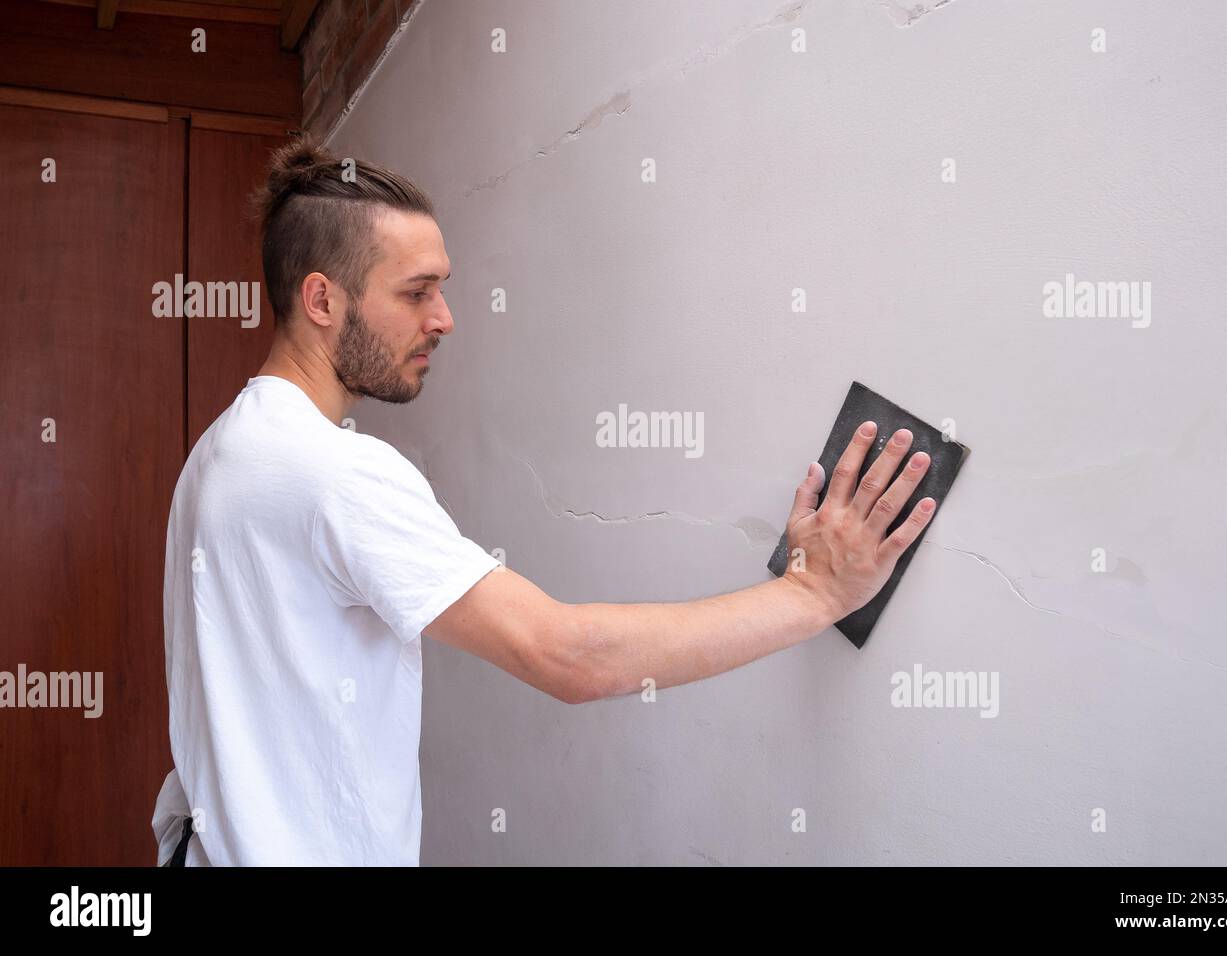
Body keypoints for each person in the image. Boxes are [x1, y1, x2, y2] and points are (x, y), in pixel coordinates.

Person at [151, 135, 935, 865]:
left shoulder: (218, 452)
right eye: (416, 292)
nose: (445, 320)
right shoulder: (336, 473)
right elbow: (565, 657)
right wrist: (812, 592)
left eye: (443, 290)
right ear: (322, 301)